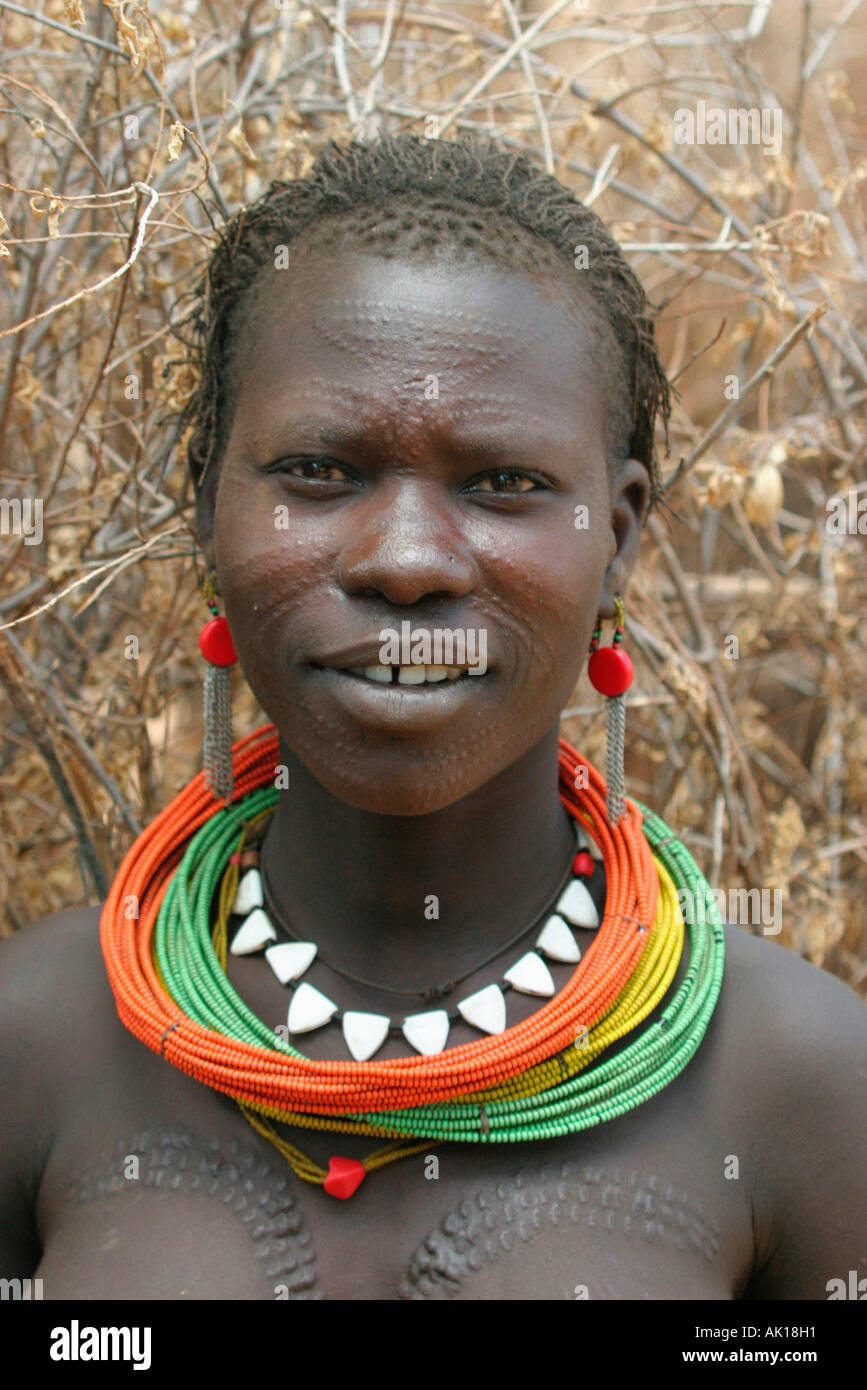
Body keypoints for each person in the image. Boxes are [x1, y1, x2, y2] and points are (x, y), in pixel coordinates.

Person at [1, 133, 863, 1302]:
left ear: (615, 537)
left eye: (503, 483)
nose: (406, 562)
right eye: (319, 469)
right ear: (207, 512)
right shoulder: (36, 1039)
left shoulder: (802, 1085)